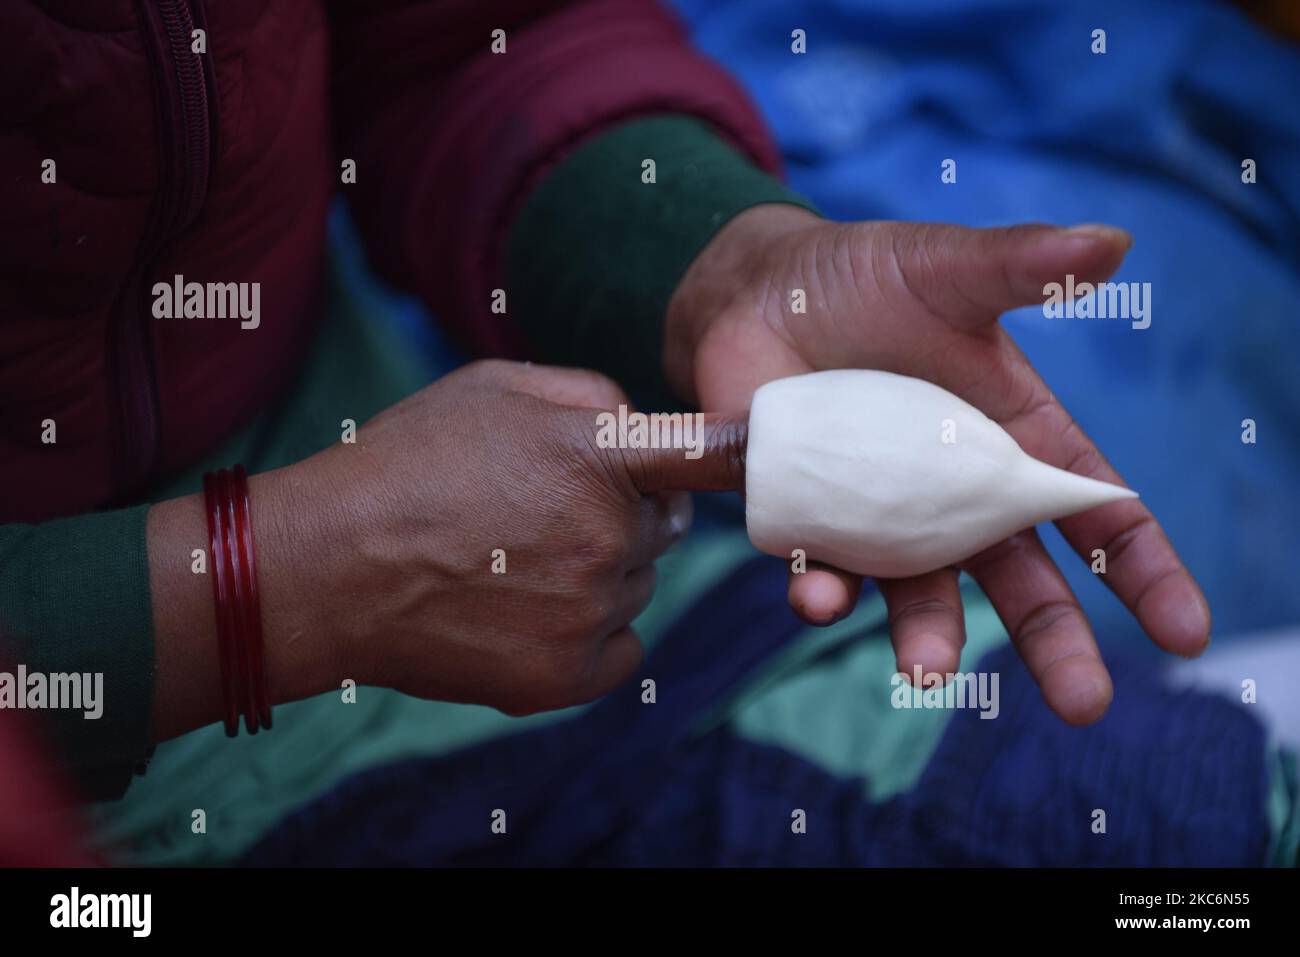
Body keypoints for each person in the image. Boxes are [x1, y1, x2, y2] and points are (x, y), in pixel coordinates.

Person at [1, 0, 1208, 852]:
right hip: (90, 781)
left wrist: (715, 262)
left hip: (399, 474)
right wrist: (270, 595)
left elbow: (466, 42)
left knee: (1175, 817)